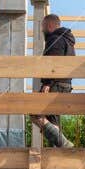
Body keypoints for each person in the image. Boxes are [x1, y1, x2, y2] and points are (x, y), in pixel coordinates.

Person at [33, 13, 76, 148]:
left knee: (35, 113)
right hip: (65, 85)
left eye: (43, 27)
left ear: (50, 25)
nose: (42, 30)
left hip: (55, 84)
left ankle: (65, 145)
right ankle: (58, 154)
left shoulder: (55, 39)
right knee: (53, 121)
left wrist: (47, 83)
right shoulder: (68, 41)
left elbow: (52, 64)